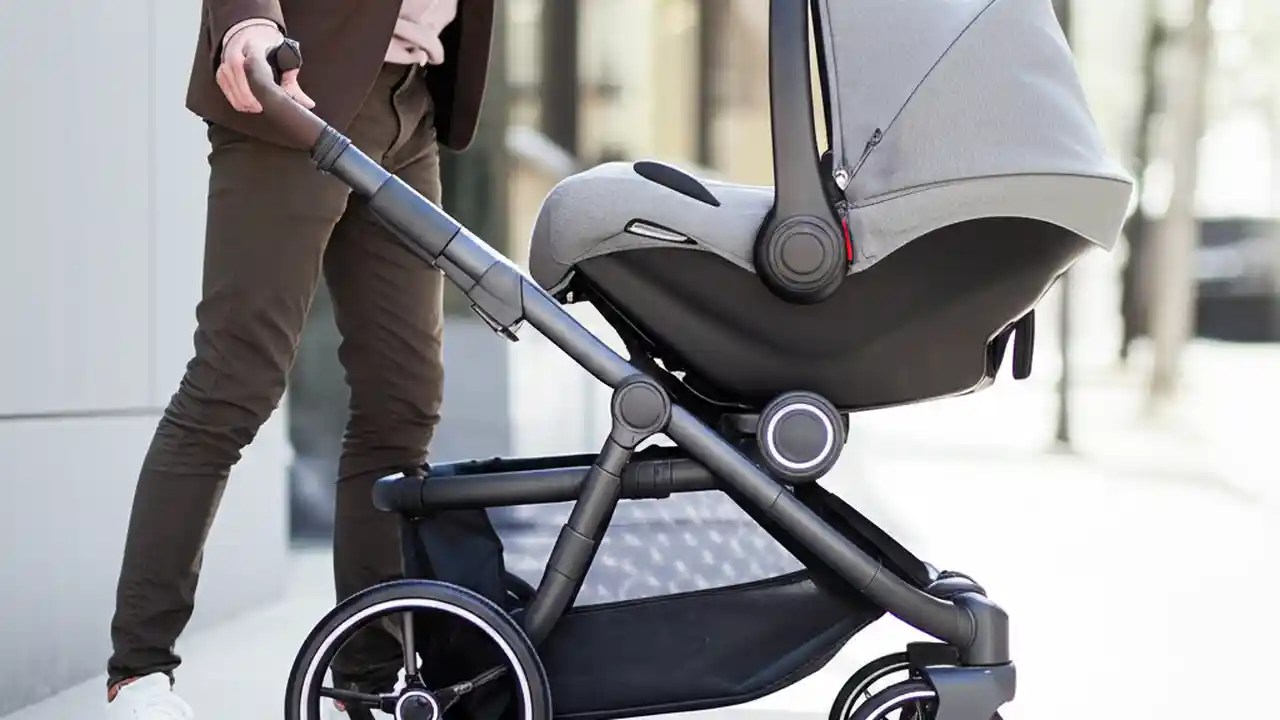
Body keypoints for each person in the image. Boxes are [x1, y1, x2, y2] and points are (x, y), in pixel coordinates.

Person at [105, 1, 494, 717]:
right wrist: (247, 20)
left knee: (401, 401)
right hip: (297, 86)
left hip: (412, 105)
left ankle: (369, 681)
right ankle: (139, 672)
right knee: (234, 381)